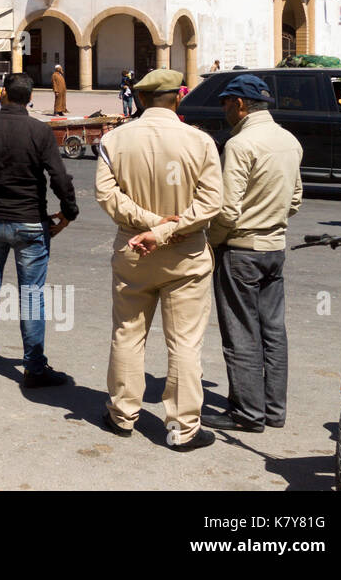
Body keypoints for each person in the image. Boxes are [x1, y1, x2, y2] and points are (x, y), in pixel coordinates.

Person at [94, 68, 223, 451]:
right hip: (185, 253)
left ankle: (121, 414)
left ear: (141, 99)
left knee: (128, 333)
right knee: (184, 343)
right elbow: (211, 202)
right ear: (177, 98)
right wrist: (164, 229)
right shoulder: (199, 141)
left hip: (134, 248)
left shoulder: (114, 139)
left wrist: (149, 226)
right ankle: (183, 429)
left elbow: (107, 195)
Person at [0, 73, 78, 386]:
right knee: (32, 296)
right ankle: (34, 366)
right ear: (30, 97)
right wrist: (69, 211)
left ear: (3, 93)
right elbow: (59, 177)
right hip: (31, 223)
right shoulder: (40, 131)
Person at [203, 75, 303, 433]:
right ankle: (274, 410)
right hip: (275, 248)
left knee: (242, 334)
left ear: (240, 105)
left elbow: (227, 211)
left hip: (242, 250)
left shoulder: (240, 144)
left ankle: (247, 413)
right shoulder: (289, 141)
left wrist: (212, 242)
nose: (224, 109)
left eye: (226, 103)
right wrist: (270, 219)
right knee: (273, 331)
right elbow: (294, 199)